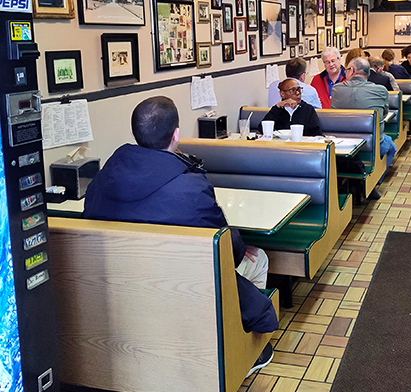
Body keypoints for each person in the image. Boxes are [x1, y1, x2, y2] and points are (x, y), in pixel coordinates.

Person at [84, 96, 278, 372]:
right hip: (182, 285)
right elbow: (222, 243)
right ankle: (239, 345)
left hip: (116, 286)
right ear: (176, 135)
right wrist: (237, 245)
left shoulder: (101, 179)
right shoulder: (190, 185)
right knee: (257, 258)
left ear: (133, 134)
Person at [330, 56, 397, 197]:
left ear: (352, 71)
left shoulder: (337, 89)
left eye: (346, 70)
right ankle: (373, 183)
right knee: (391, 146)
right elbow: (384, 113)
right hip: (370, 144)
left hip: (341, 144)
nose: (345, 73)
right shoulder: (381, 90)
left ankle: (359, 183)